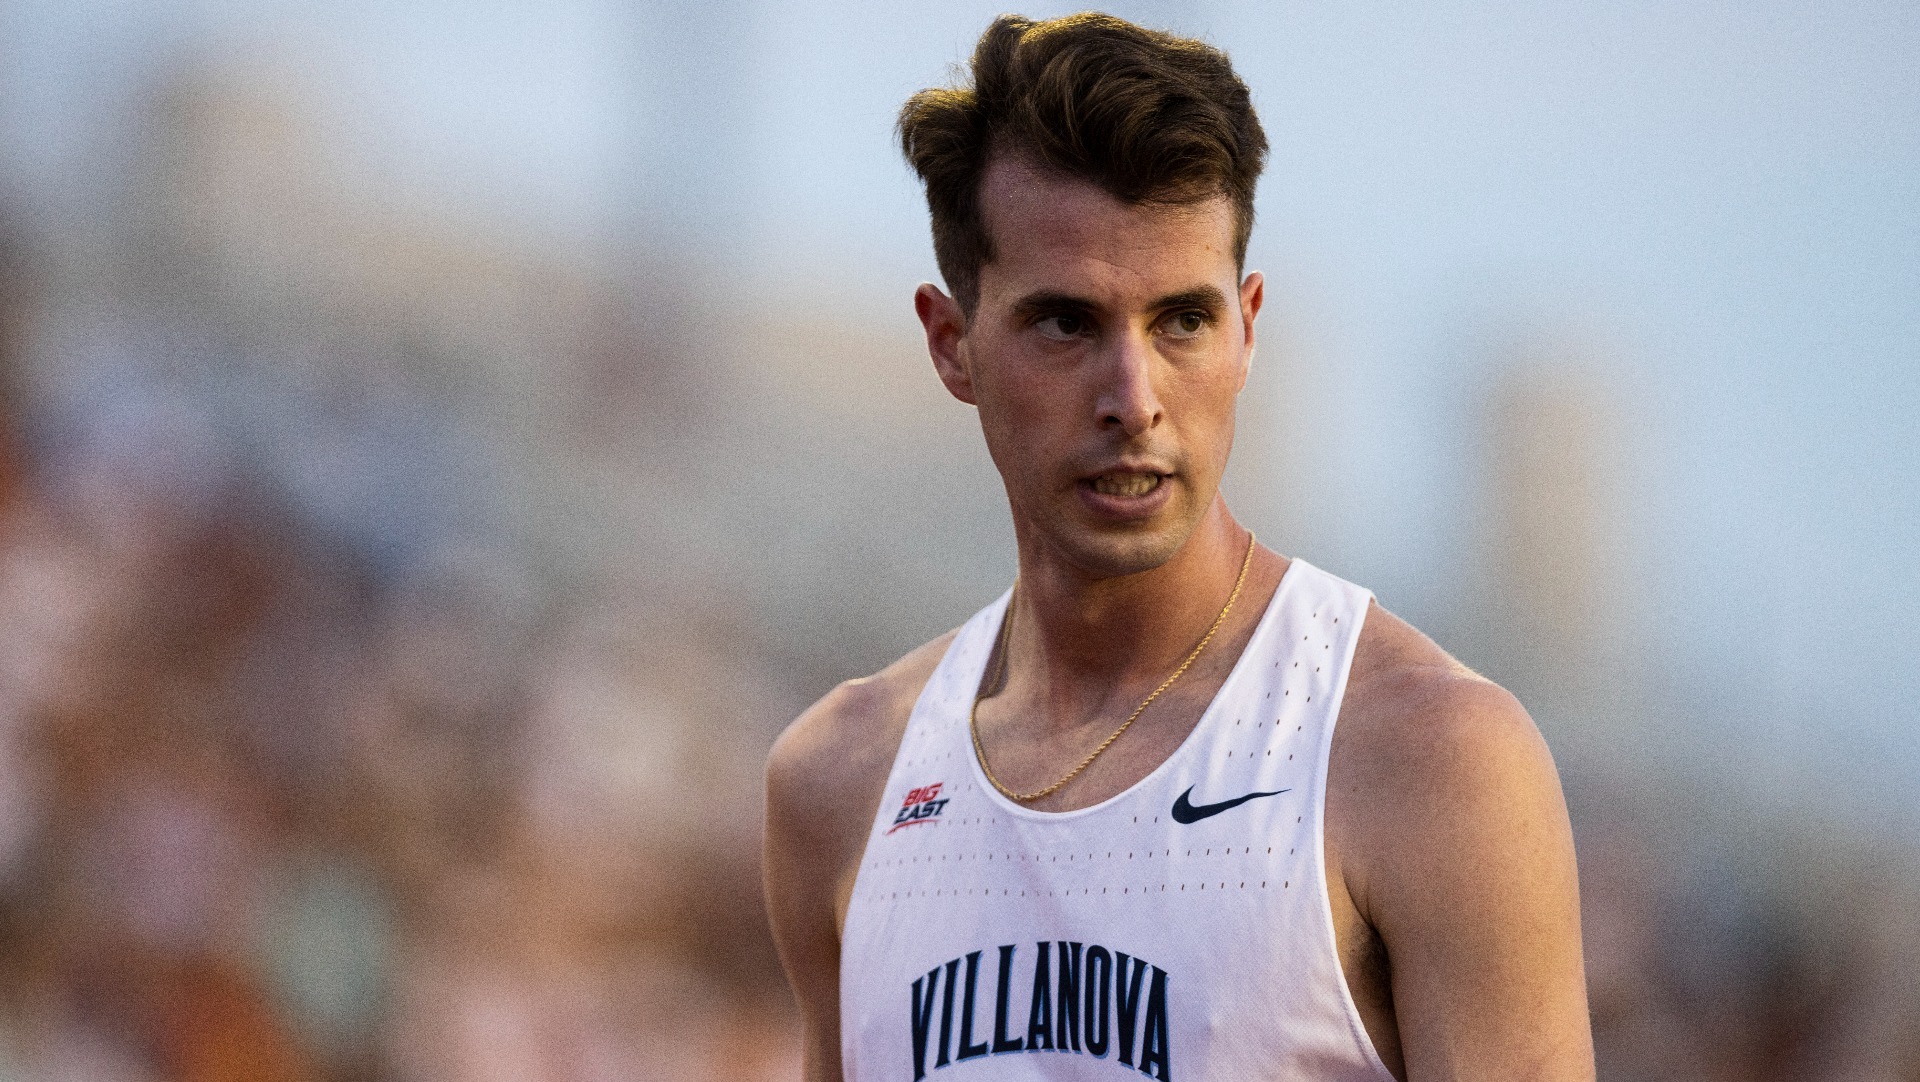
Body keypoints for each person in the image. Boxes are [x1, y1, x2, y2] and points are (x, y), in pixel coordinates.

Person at [763, 13, 1593, 1081]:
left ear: (1248, 329)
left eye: (1182, 321)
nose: (1134, 397)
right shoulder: (841, 780)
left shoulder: (1432, 757)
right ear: (951, 343)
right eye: (1067, 323)